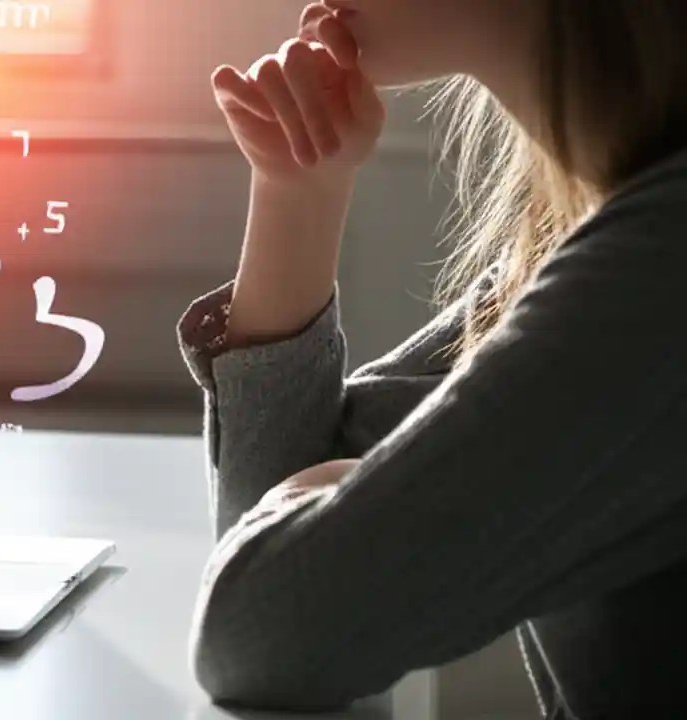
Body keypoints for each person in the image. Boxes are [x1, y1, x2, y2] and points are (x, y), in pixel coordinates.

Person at [179, 0, 687, 717]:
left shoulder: (659, 271)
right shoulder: (572, 225)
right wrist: (300, 191)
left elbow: (265, 633)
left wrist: (336, 498)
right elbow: (283, 533)